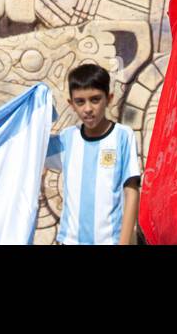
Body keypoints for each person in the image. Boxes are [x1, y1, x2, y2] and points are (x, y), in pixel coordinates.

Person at [44, 63, 141, 245]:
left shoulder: (122, 136)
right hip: (70, 241)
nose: (88, 108)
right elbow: (31, 147)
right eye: (80, 101)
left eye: (95, 99)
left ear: (109, 98)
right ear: (71, 104)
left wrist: (124, 242)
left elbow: (131, 191)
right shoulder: (67, 139)